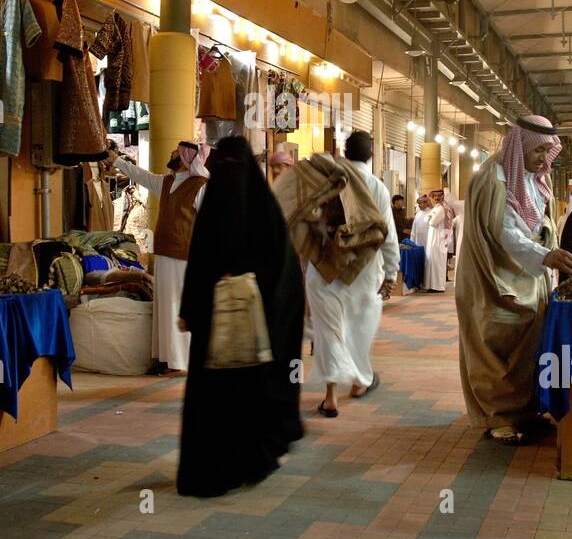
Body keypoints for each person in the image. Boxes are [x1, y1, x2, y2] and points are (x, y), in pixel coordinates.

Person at [175, 137, 305, 497]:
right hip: (251, 333)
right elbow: (286, 278)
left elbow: (199, 264)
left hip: (216, 333)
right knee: (250, 397)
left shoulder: (217, 203)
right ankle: (252, 460)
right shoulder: (265, 210)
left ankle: (216, 469)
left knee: (213, 402)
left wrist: (190, 311)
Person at [454, 116, 572, 446]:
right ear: (521, 145)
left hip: (529, 275)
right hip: (493, 278)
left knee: (528, 344)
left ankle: (524, 410)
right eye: (538, 150)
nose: (543, 158)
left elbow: (541, 223)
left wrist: (548, 247)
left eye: (548, 151)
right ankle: (497, 417)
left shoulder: (535, 178)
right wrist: (543, 255)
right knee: (494, 347)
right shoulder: (493, 178)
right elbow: (501, 233)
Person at [302, 131, 398, 418]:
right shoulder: (377, 187)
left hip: (324, 269)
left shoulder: (326, 182)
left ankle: (330, 396)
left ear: (344, 152)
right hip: (364, 270)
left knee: (329, 331)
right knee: (358, 329)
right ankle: (358, 382)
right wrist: (391, 273)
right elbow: (388, 235)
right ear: (371, 155)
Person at [109, 141, 210, 373]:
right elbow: (139, 175)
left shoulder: (201, 186)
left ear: (186, 159)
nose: (171, 154)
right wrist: (116, 161)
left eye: (176, 153)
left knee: (178, 306)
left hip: (186, 256)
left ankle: (181, 361)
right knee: (165, 306)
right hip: (164, 253)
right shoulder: (167, 182)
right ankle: (168, 358)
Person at [424, 187, 452, 293]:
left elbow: (432, 222)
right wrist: (430, 216)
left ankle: (438, 286)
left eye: (437, 196)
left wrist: (430, 217)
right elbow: (426, 219)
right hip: (433, 237)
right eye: (434, 196)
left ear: (442, 197)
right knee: (432, 261)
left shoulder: (442, 209)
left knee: (438, 262)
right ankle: (431, 285)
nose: (435, 198)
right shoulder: (436, 208)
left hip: (439, 238)